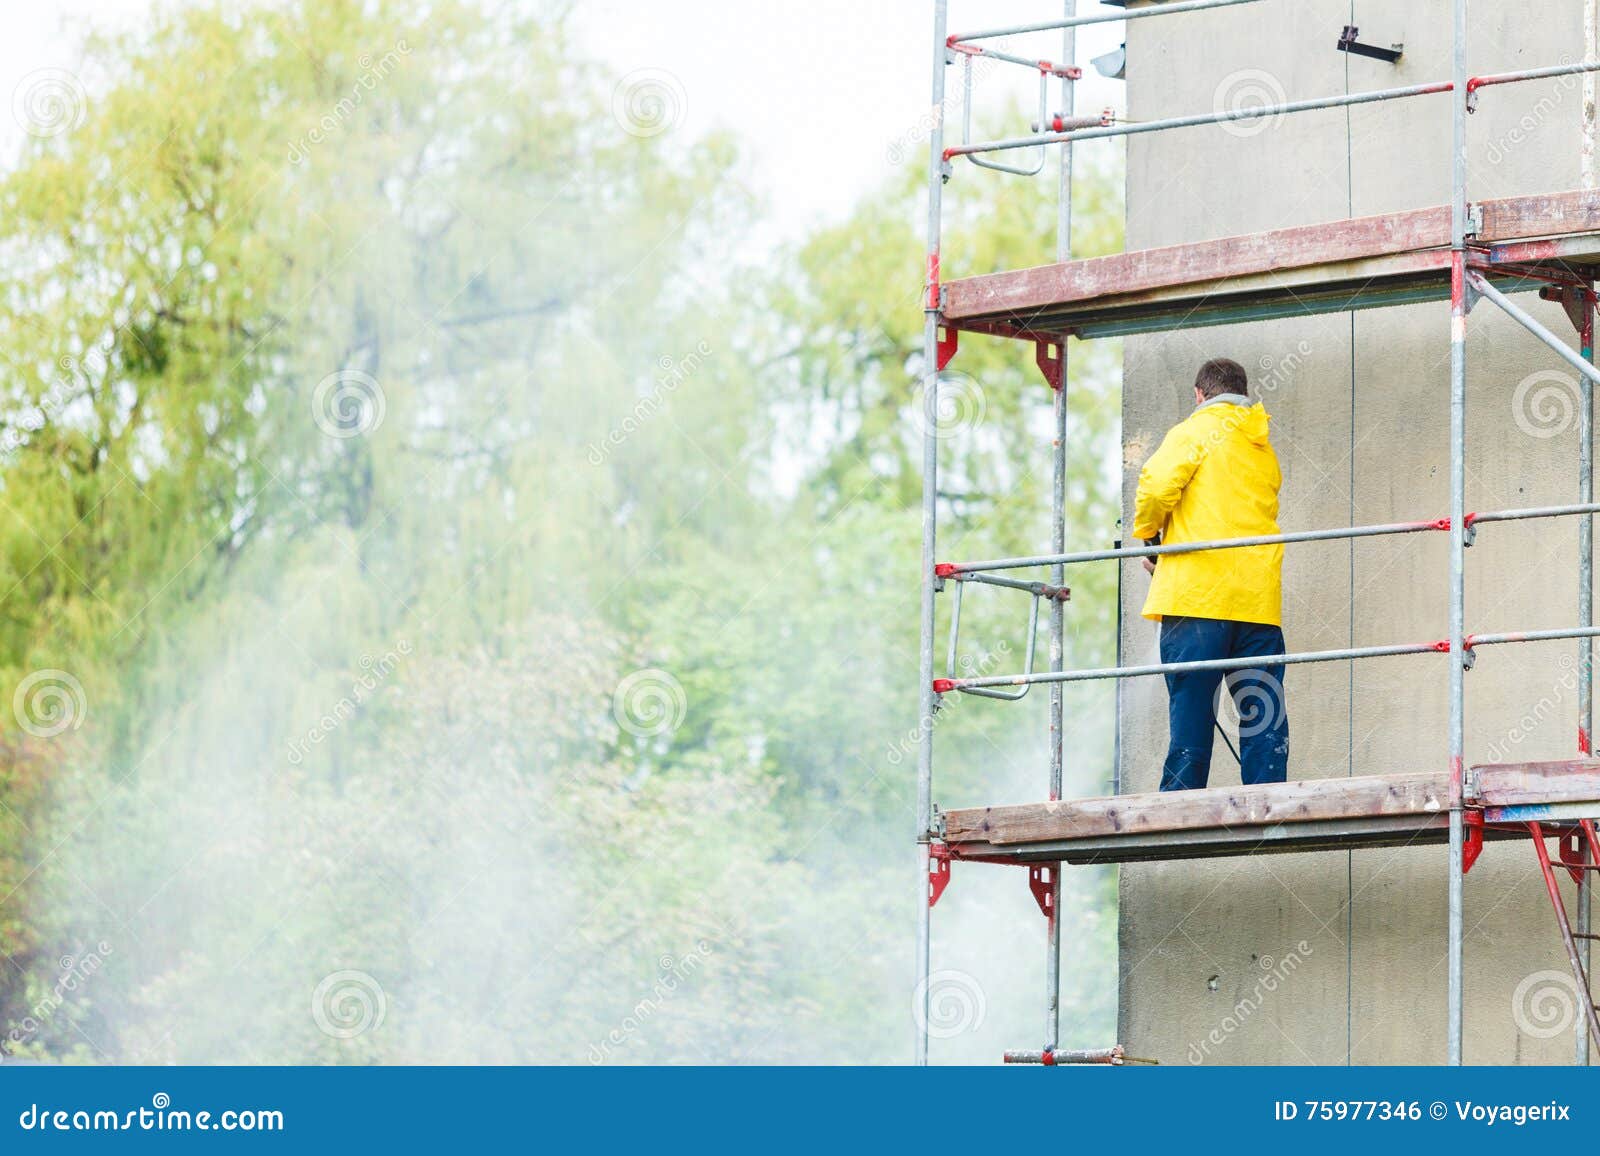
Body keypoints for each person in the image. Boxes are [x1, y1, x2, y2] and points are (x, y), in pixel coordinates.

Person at [1133, 357, 1288, 792]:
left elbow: (1158, 486)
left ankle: (1182, 799)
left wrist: (1149, 534)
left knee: (1192, 706)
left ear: (1199, 394)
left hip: (1196, 596)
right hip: (1257, 600)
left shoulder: (1193, 431)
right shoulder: (1261, 444)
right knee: (1261, 706)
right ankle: (1268, 795)